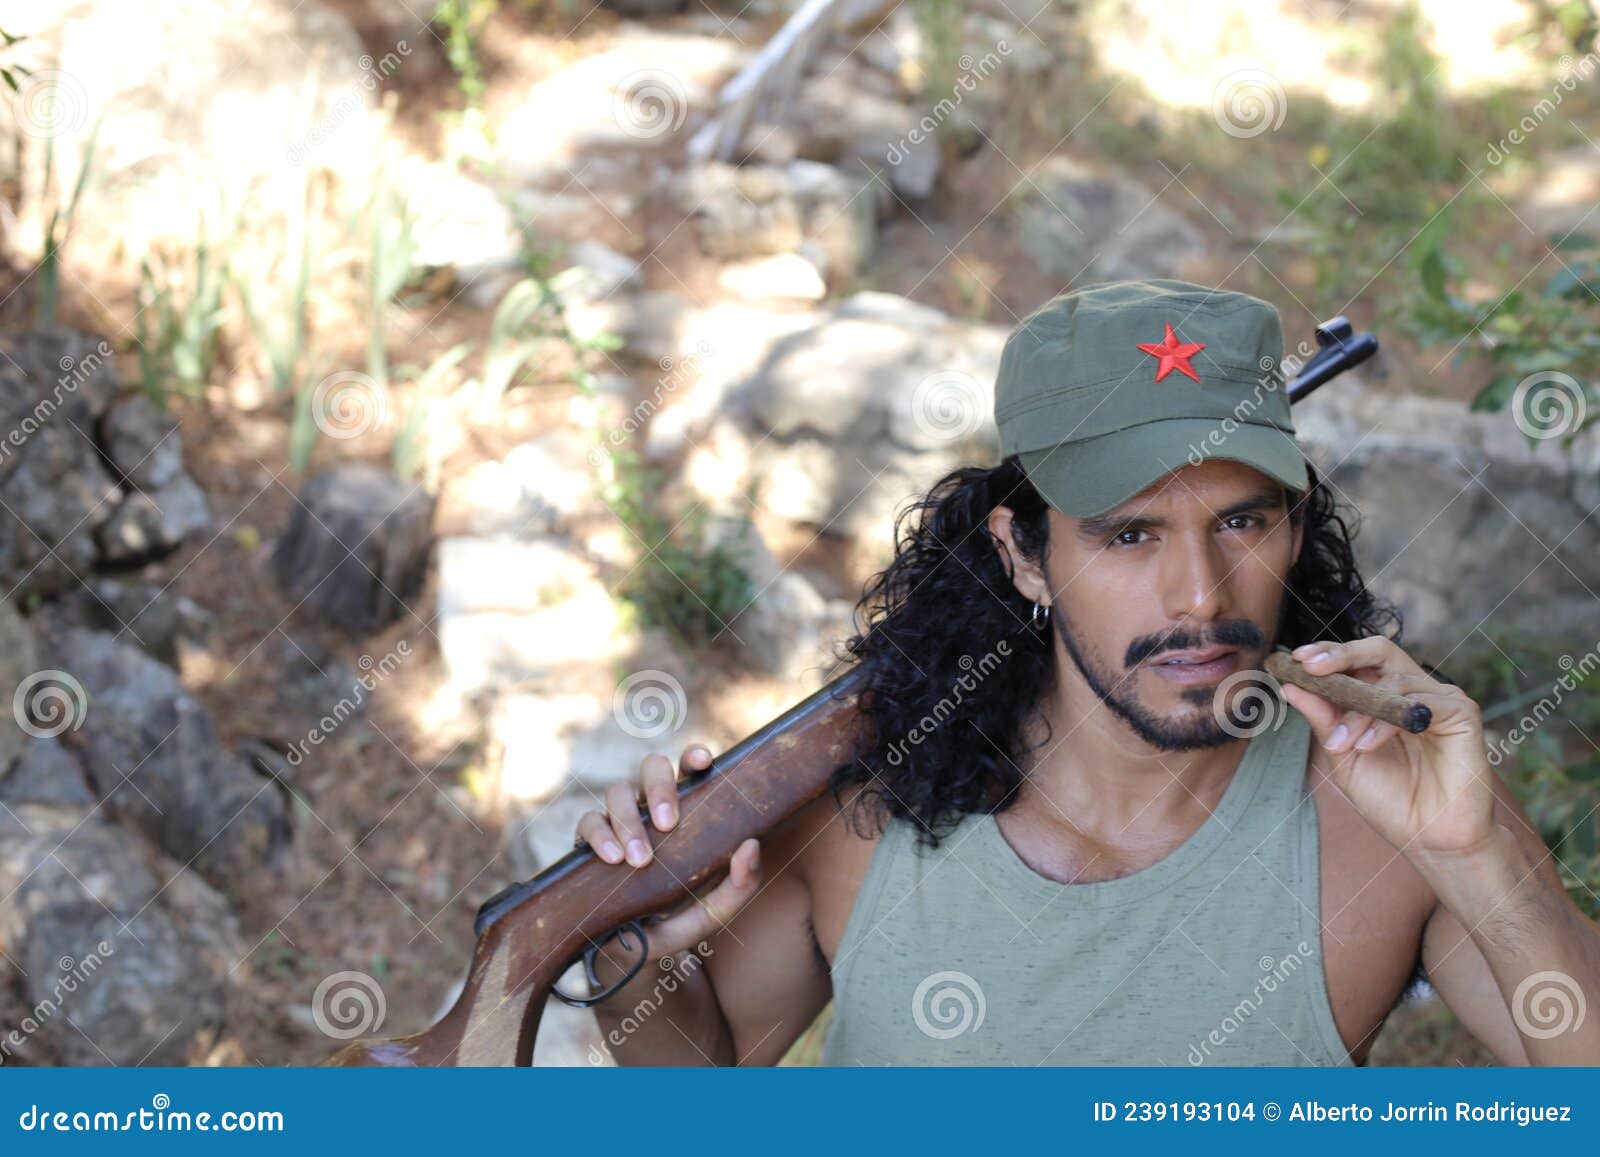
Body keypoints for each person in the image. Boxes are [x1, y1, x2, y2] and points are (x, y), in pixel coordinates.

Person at [573, 280, 1600, 1066]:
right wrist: (631, 953)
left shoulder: (1387, 810)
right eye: (1129, 535)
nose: (1199, 594)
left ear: (1295, 524)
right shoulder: (861, 806)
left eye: (1240, 520)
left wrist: (1481, 855)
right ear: (1022, 555)